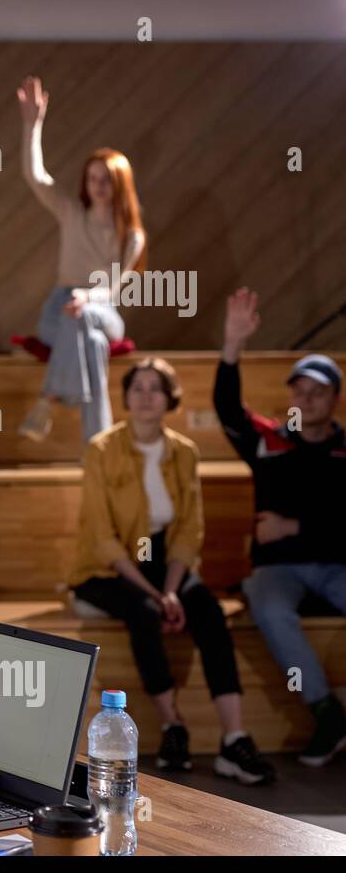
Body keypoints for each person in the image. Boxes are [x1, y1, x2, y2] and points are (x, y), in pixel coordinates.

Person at [70, 357, 274, 783]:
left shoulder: (184, 451)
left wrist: (174, 589)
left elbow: (189, 529)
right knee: (144, 613)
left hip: (167, 563)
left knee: (211, 614)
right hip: (110, 567)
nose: (145, 396)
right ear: (125, 396)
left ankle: (234, 738)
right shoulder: (101, 449)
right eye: (137, 387)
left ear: (169, 399)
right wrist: (155, 592)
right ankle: (172, 725)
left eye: (155, 388)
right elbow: (102, 536)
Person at [215, 287, 346, 767]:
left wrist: (293, 526)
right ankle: (327, 713)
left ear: (335, 397)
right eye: (299, 390)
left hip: (337, 566)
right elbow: (228, 409)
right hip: (279, 573)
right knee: (268, 607)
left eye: (318, 391)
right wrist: (232, 346)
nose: (307, 399)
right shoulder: (270, 442)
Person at [15, 76, 147, 443]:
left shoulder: (131, 234)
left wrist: (88, 298)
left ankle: (47, 399)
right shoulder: (71, 213)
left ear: (120, 183)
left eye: (106, 179)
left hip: (103, 310)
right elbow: (35, 176)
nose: (98, 186)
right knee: (91, 345)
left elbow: (118, 288)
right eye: (92, 179)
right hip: (61, 309)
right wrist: (32, 125)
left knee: (86, 320)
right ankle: (97, 443)